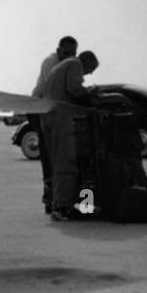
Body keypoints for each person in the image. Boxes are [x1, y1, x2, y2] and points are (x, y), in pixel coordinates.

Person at [40, 49, 100, 221]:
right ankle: (63, 208)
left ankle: (57, 203)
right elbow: (74, 90)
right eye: (91, 69)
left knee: (58, 162)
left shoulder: (62, 65)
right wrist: (90, 92)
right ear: (86, 61)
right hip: (61, 116)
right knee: (67, 163)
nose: (89, 73)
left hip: (49, 115)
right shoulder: (75, 64)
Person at [31, 35, 78, 214]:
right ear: (58, 51)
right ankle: (51, 200)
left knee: (55, 158)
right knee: (50, 158)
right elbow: (58, 90)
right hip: (41, 109)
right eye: (67, 53)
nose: (70, 57)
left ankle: (56, 199)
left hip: (51, 110)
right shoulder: (50, 63)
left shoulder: (66, 64)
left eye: (73, 54)